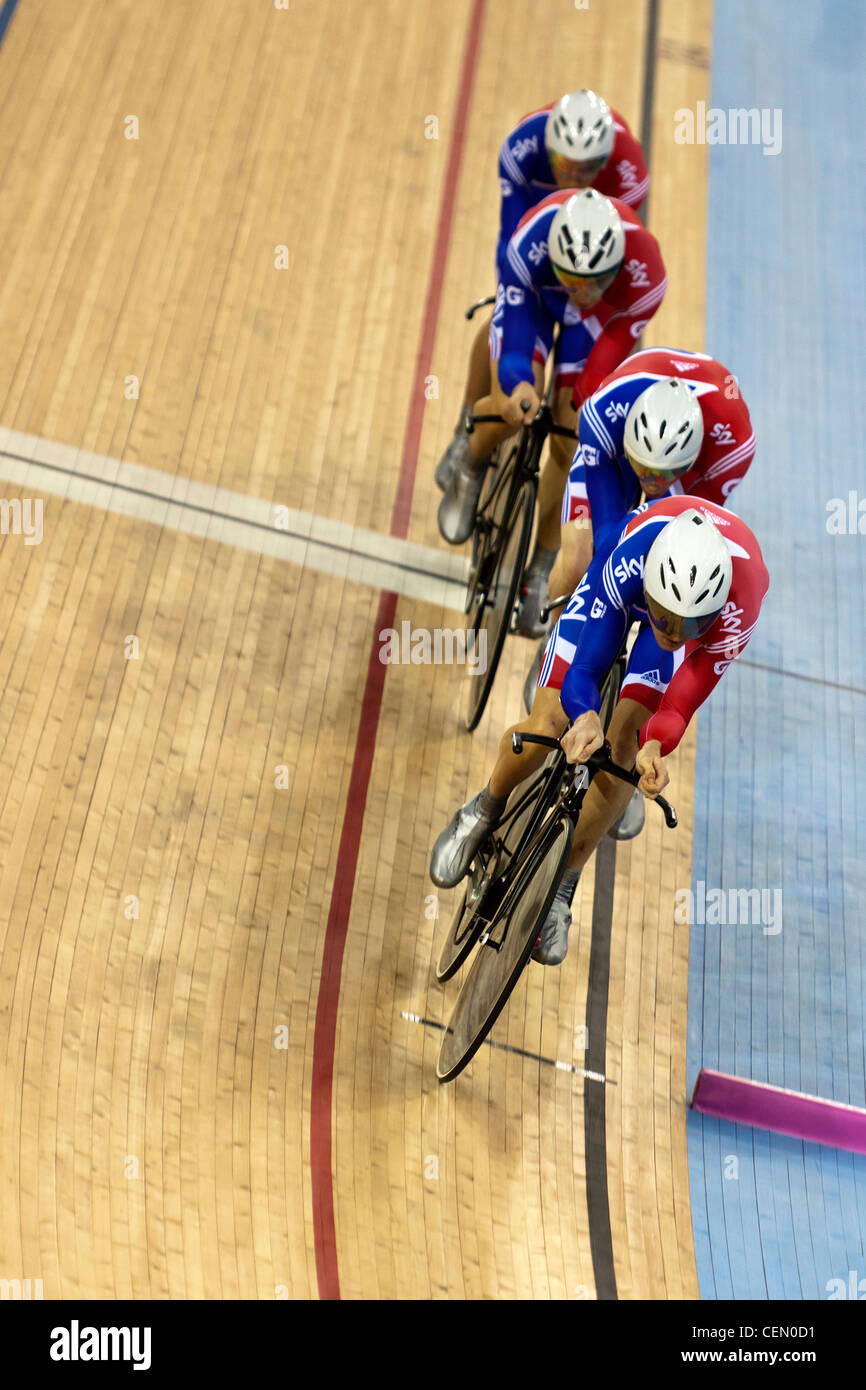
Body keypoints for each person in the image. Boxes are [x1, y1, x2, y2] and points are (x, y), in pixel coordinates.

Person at [429, 498, 769, 966]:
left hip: (681, 596)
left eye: (689, 626)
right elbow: (585, 671)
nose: (673, 632)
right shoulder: (630, 560)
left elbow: (683, 699)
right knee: (549, 721)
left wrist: (656, 744)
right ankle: (483, 809)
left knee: (626, 747)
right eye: (666, 619)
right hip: (624, 588)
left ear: (710, 617)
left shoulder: (739, 608)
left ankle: (564, 882)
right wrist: (585, 713)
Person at [437, 187, 666, 636]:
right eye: (574, 280)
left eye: (593, 282)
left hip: (597, 324)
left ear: (615, 267)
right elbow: (517, 332)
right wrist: (520, 382)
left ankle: (541, 563)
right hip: (538, 300)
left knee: (570, 441)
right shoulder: (530, 245)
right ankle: (471, 462)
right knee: (512, 404)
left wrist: (582, 400)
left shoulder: (647, 272)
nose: (582, 291)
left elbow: (615, 342)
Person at [436, 91, 649, 494]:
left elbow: (613, 256)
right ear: (550, 151)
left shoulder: (629, 173)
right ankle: (467, 429)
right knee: (503, 316)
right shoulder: (522, 147)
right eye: (565, 165)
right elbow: (510, 238)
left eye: (587, 168)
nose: (573, 177)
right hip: (536, 235)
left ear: (605, 162)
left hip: (588, 255)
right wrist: (512, 295)